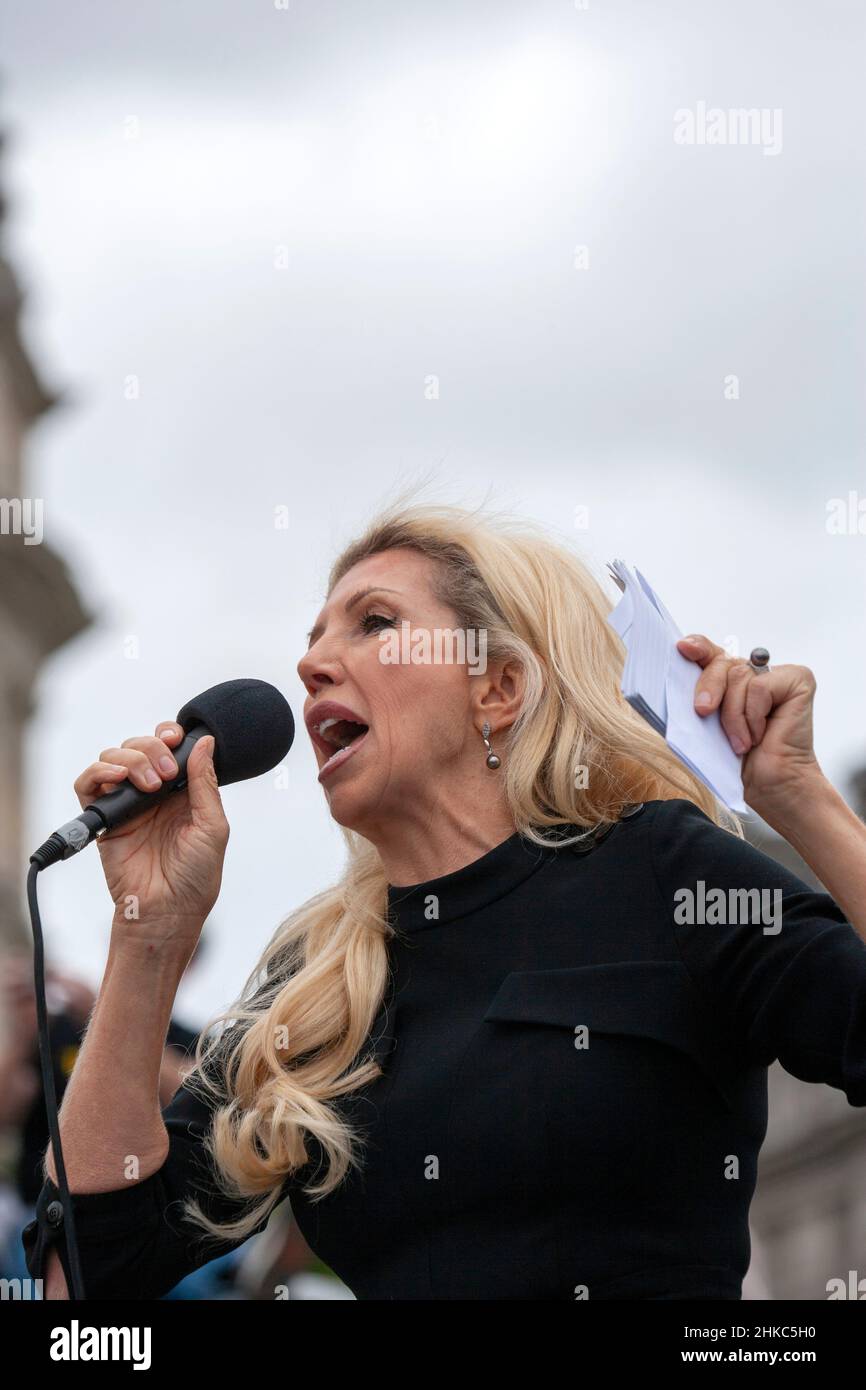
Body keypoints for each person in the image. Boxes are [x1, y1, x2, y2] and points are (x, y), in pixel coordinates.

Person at [22, 501, 866, 1300]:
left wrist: (802, 799)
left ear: (497, 687)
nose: (310, 665)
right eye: (314, 639)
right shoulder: (318, 980)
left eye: (374, 622)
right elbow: (85, 1280)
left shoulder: (663, 869)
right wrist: (150, 938)